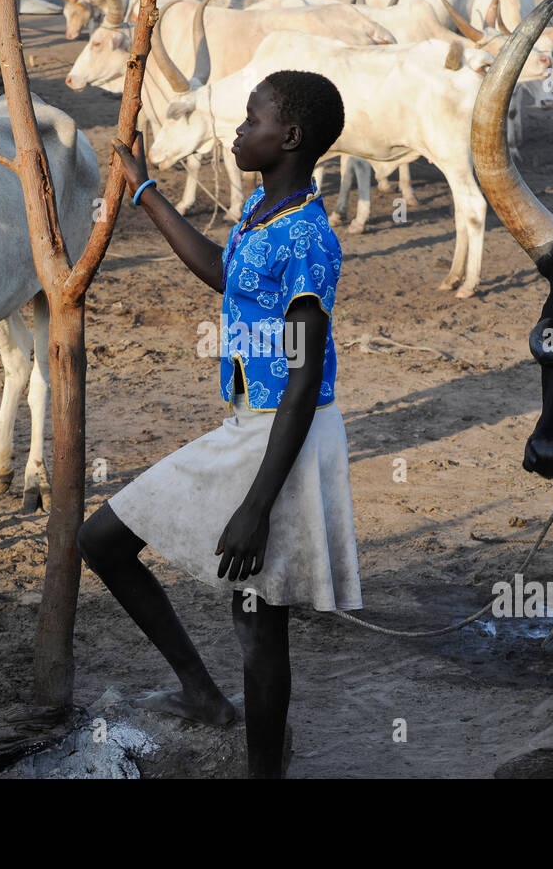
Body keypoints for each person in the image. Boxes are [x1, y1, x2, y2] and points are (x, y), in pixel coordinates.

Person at [83, 70, 359, 779]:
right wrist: (146, 191)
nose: (238, 130)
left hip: (284, 433)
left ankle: (261, 769)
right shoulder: (264, 211)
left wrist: (258, 507)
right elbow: (223, 270)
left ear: (289, 137)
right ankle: (204, 697)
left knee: (262, 619)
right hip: (251, 423)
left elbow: (303, 375)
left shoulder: (307, 236)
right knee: (108, 544)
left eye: (250, 119)